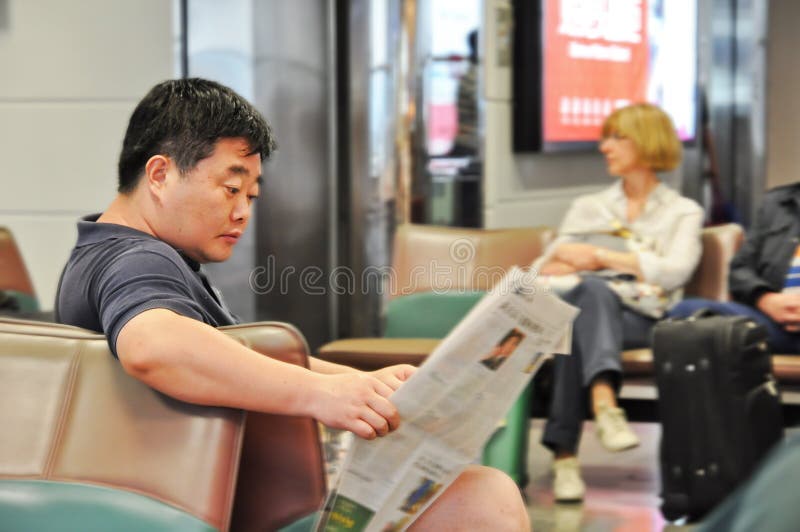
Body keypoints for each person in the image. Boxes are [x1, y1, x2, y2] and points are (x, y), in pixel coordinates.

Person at [55, 78, 530, 531]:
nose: (242, 211)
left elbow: (234, 358)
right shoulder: (136, 260)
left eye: (251, 195)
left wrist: (357, 383)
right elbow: (154, 345)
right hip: (235, 512)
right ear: (160, 174)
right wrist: (322, 394)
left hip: (237, 496)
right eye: (230, 188)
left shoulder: (107, 252)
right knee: (484, 500)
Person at [531, 103, 704, 502]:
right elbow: (547, 263)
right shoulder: (589, 206)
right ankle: (604, 406)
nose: (605, 147)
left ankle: (565, 459)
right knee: (588, 301)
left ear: (647, 141)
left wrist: (602, 257)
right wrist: (624, 263)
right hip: (591, 310)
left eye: (616, 137)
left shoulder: (683, 212)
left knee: (582, 311)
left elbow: (675, 272)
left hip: (645, 319)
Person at [670, 182, 800, 353]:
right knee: (688, 312)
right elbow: (740, 270)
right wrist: (765, 299)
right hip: (772, 322)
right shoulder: (778, 202)